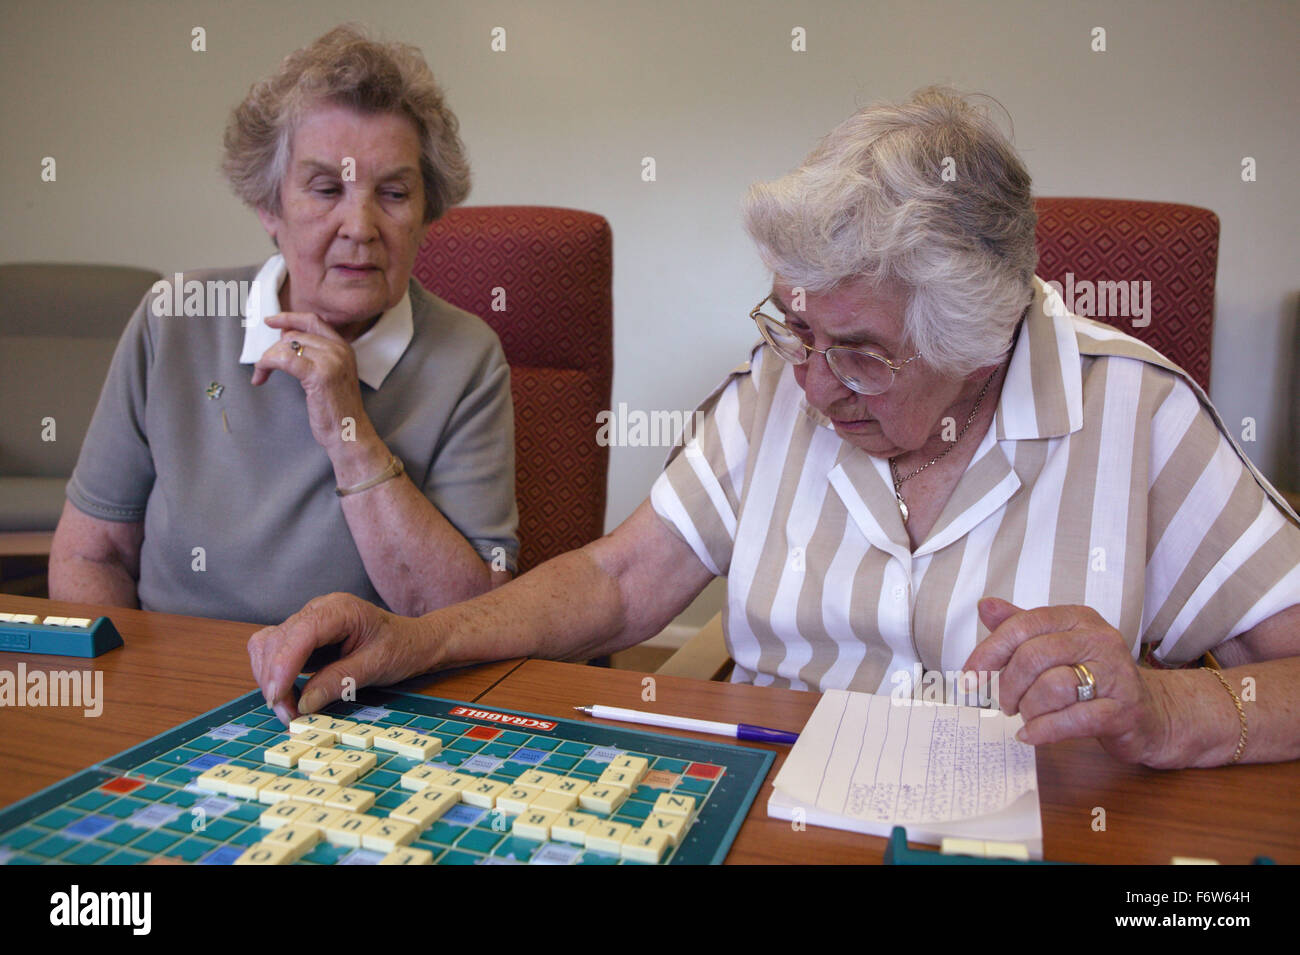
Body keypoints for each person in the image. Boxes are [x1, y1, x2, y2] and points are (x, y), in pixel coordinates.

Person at [248, 87, 1300, 768]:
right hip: (771, 814)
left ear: (980, 342)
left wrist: (1165, 711)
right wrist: (416, 639)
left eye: (857, 351)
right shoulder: (776, 386)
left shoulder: (1136, 415)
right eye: (793, 328)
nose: (808, 384)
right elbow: (619, 583)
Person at [49, 25, 518, 625]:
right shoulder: (174, 318)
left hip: (362, 697)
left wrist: (349, 430)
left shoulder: (468, 358)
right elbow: (93, 554)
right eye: (326, 189)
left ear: (428, 213)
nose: (360, 225)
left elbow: (470, 616)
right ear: (269, 206)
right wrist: (123, 697)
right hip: (177, 676)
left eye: (395, 193)